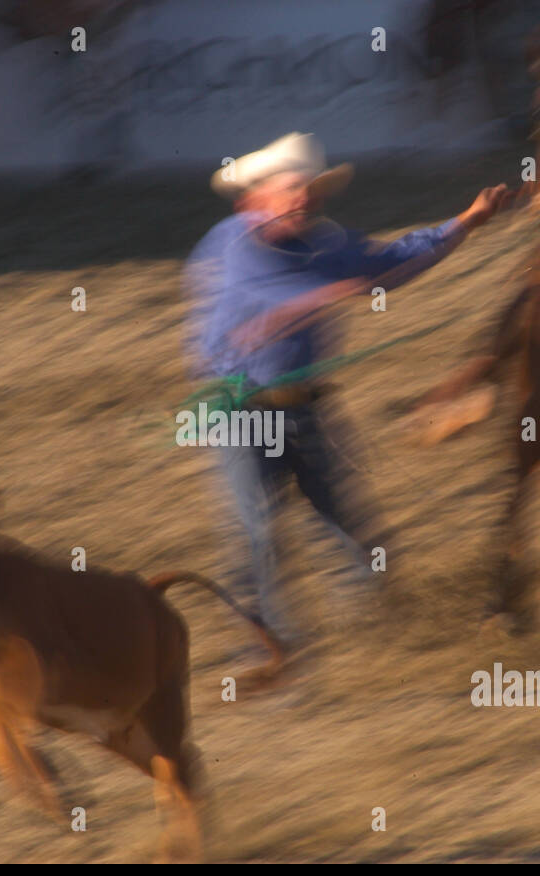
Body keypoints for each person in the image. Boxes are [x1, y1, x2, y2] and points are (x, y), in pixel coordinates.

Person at [185, 132, 513, 648]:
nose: (304, 200)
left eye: (311, 191)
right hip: (239, 410)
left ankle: (372, 642)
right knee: (259, 535)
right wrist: (332, 291)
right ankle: (270, 653)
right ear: (255, 198)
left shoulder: (326, 242)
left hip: (305, 406)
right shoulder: (233, 245)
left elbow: (391, 261)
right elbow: (271, 295)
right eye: (292, 189)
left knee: (351, 532)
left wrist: (464, 224)